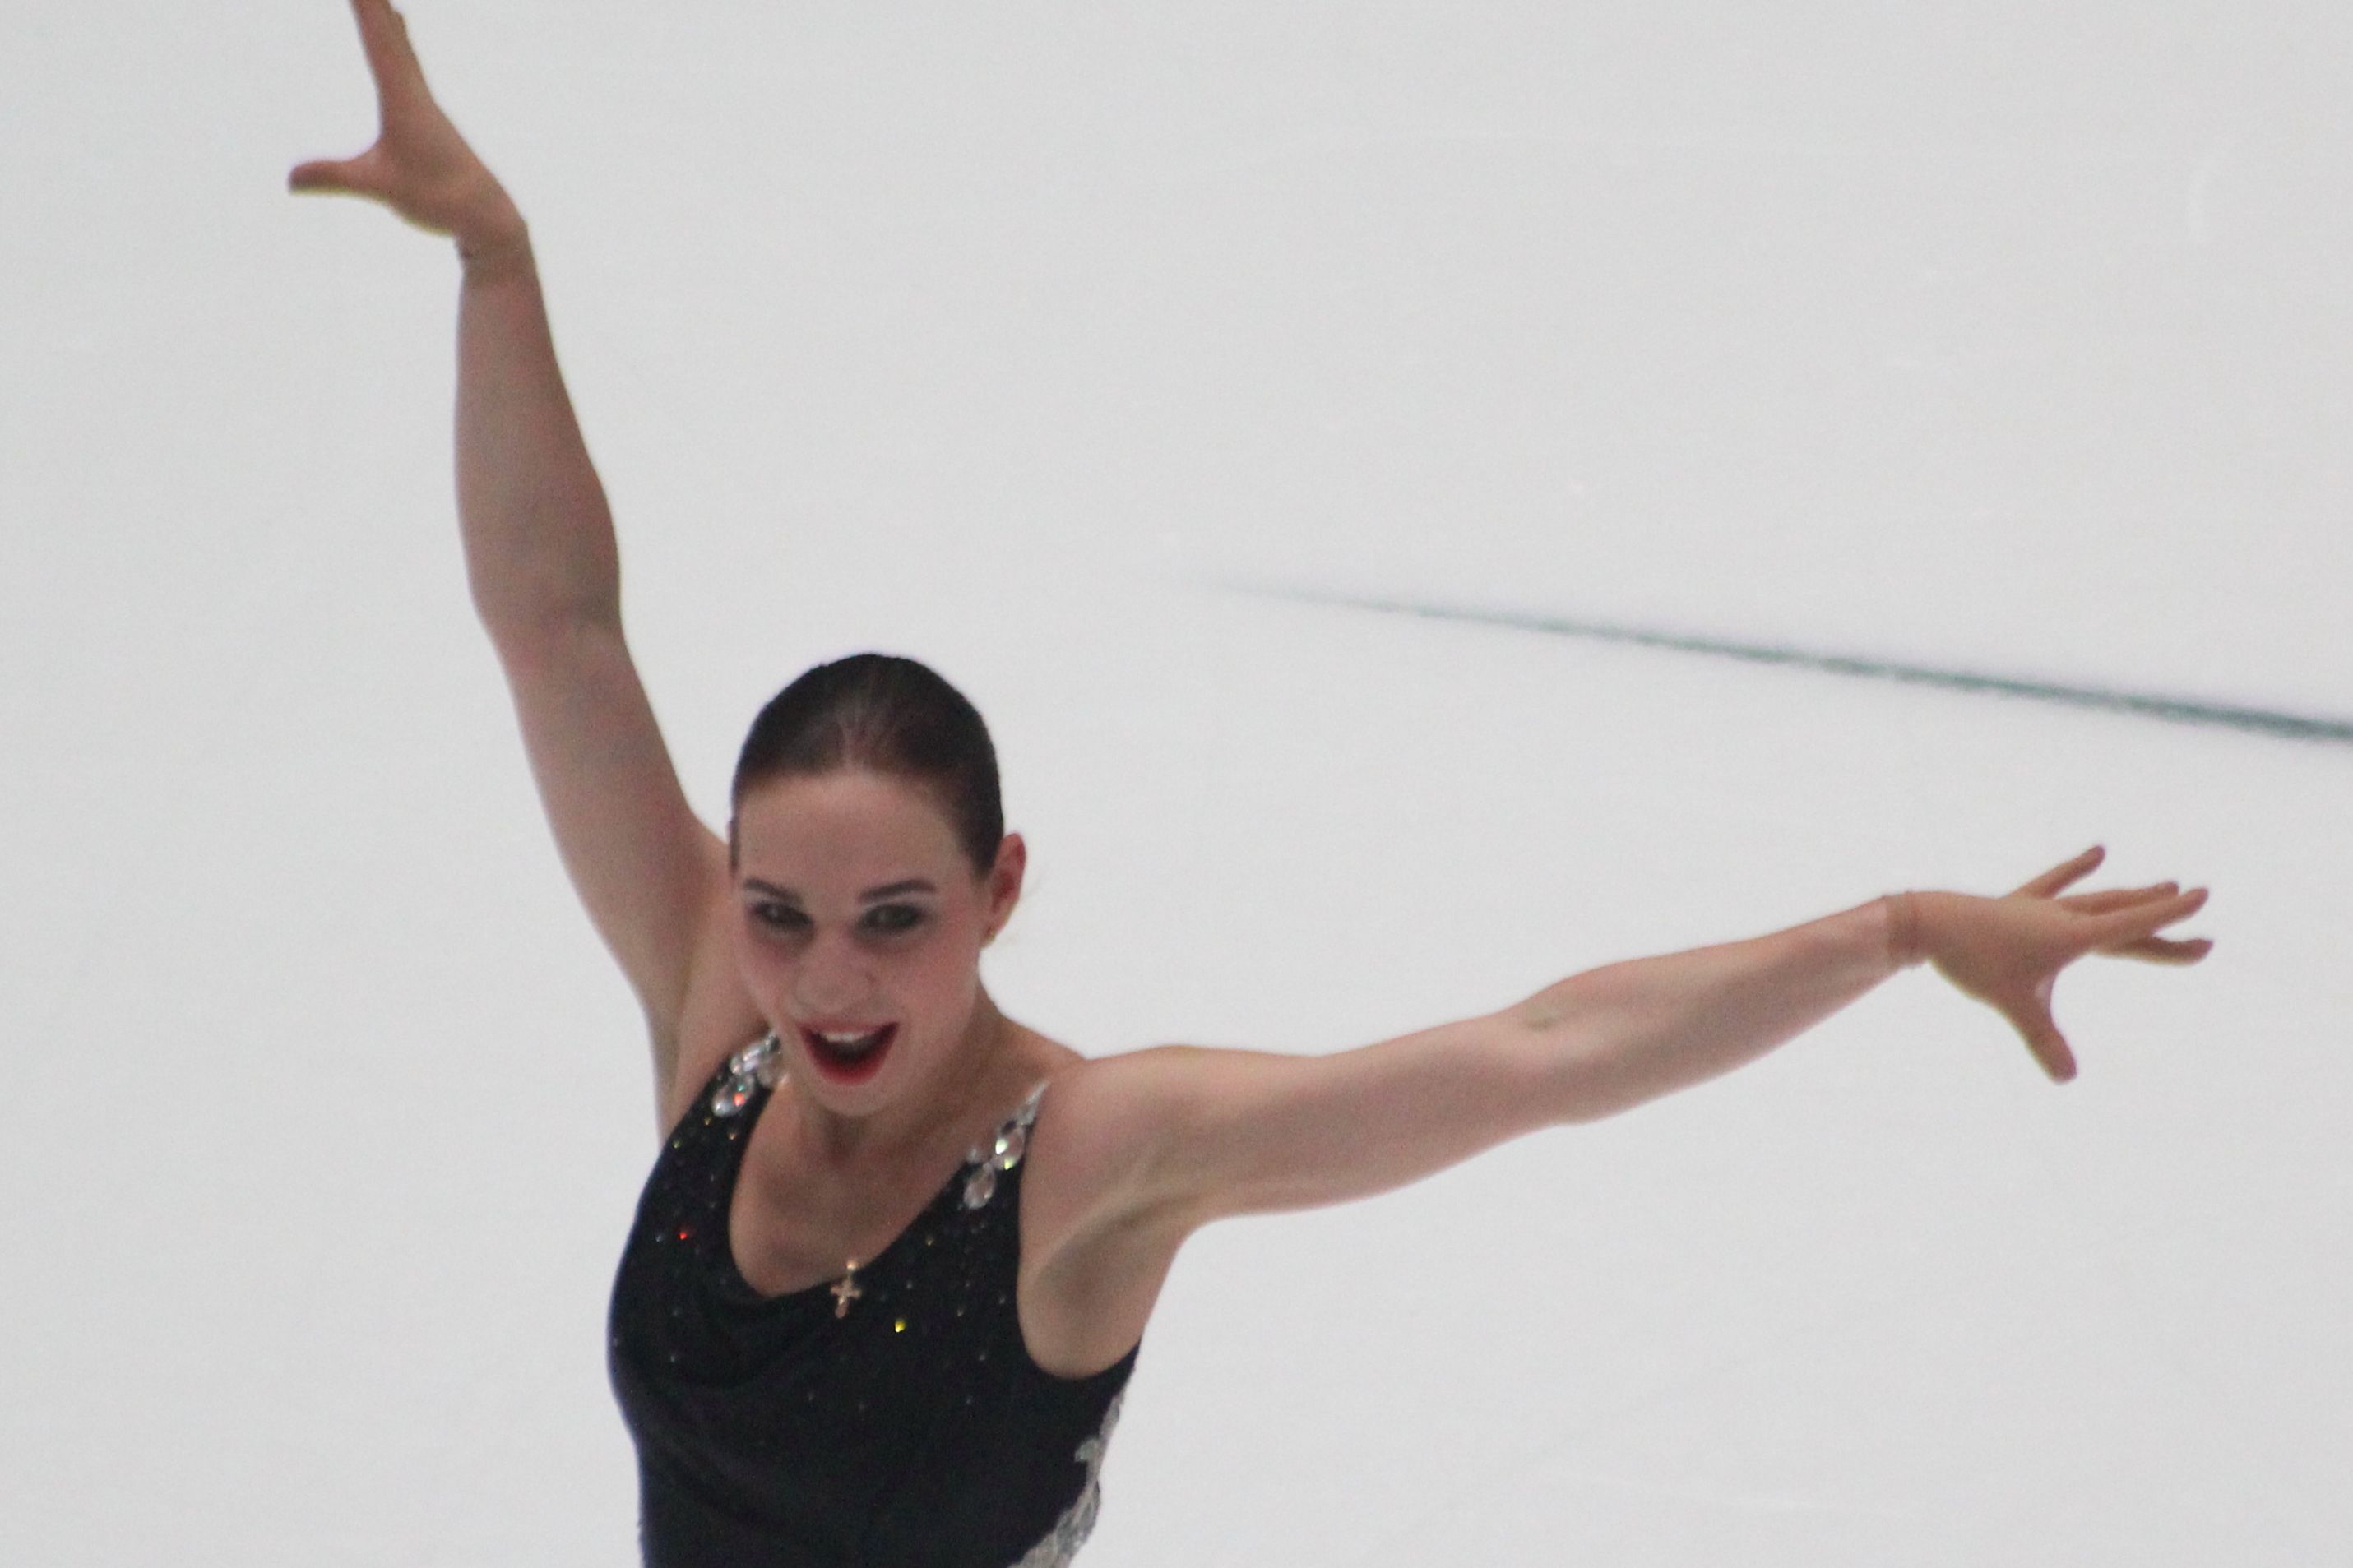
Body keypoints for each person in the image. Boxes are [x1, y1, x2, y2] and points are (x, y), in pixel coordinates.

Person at [289, 4, 2216, 1564]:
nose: (827, 978)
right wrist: (493, 263)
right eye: (782, 914)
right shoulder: (720, 1021)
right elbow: (558, 628)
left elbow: (1542, 1054)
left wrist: (1899, 930)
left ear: (1002, 888)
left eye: (894, 919)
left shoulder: (1094, 1163)